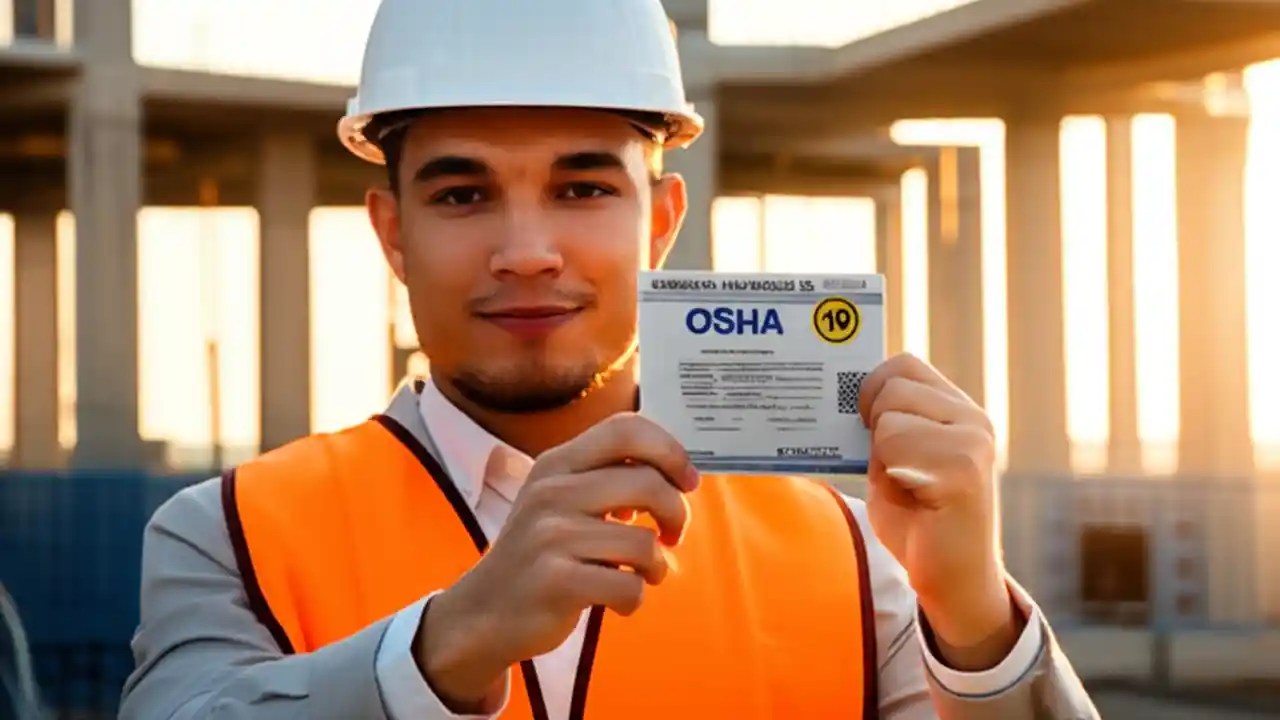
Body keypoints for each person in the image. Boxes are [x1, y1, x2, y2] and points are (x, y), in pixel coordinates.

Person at [119, 1, 1099, 718]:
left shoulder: (854, 559)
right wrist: (441, 649)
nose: (526, 249)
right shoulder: (231, 534)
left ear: (660, 222)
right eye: (462, 196)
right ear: (392, 234)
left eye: (581, 189)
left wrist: (972, 622)